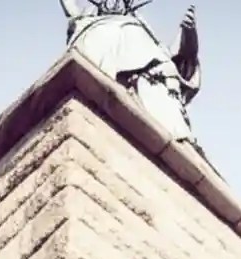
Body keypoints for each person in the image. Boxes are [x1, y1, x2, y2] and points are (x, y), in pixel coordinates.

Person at [59, 0, 207, 159]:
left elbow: (176, 59)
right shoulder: (91, 26)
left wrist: (188, 34)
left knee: (178, 143)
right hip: (113, 101)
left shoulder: (138, 30)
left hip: (158, 95)